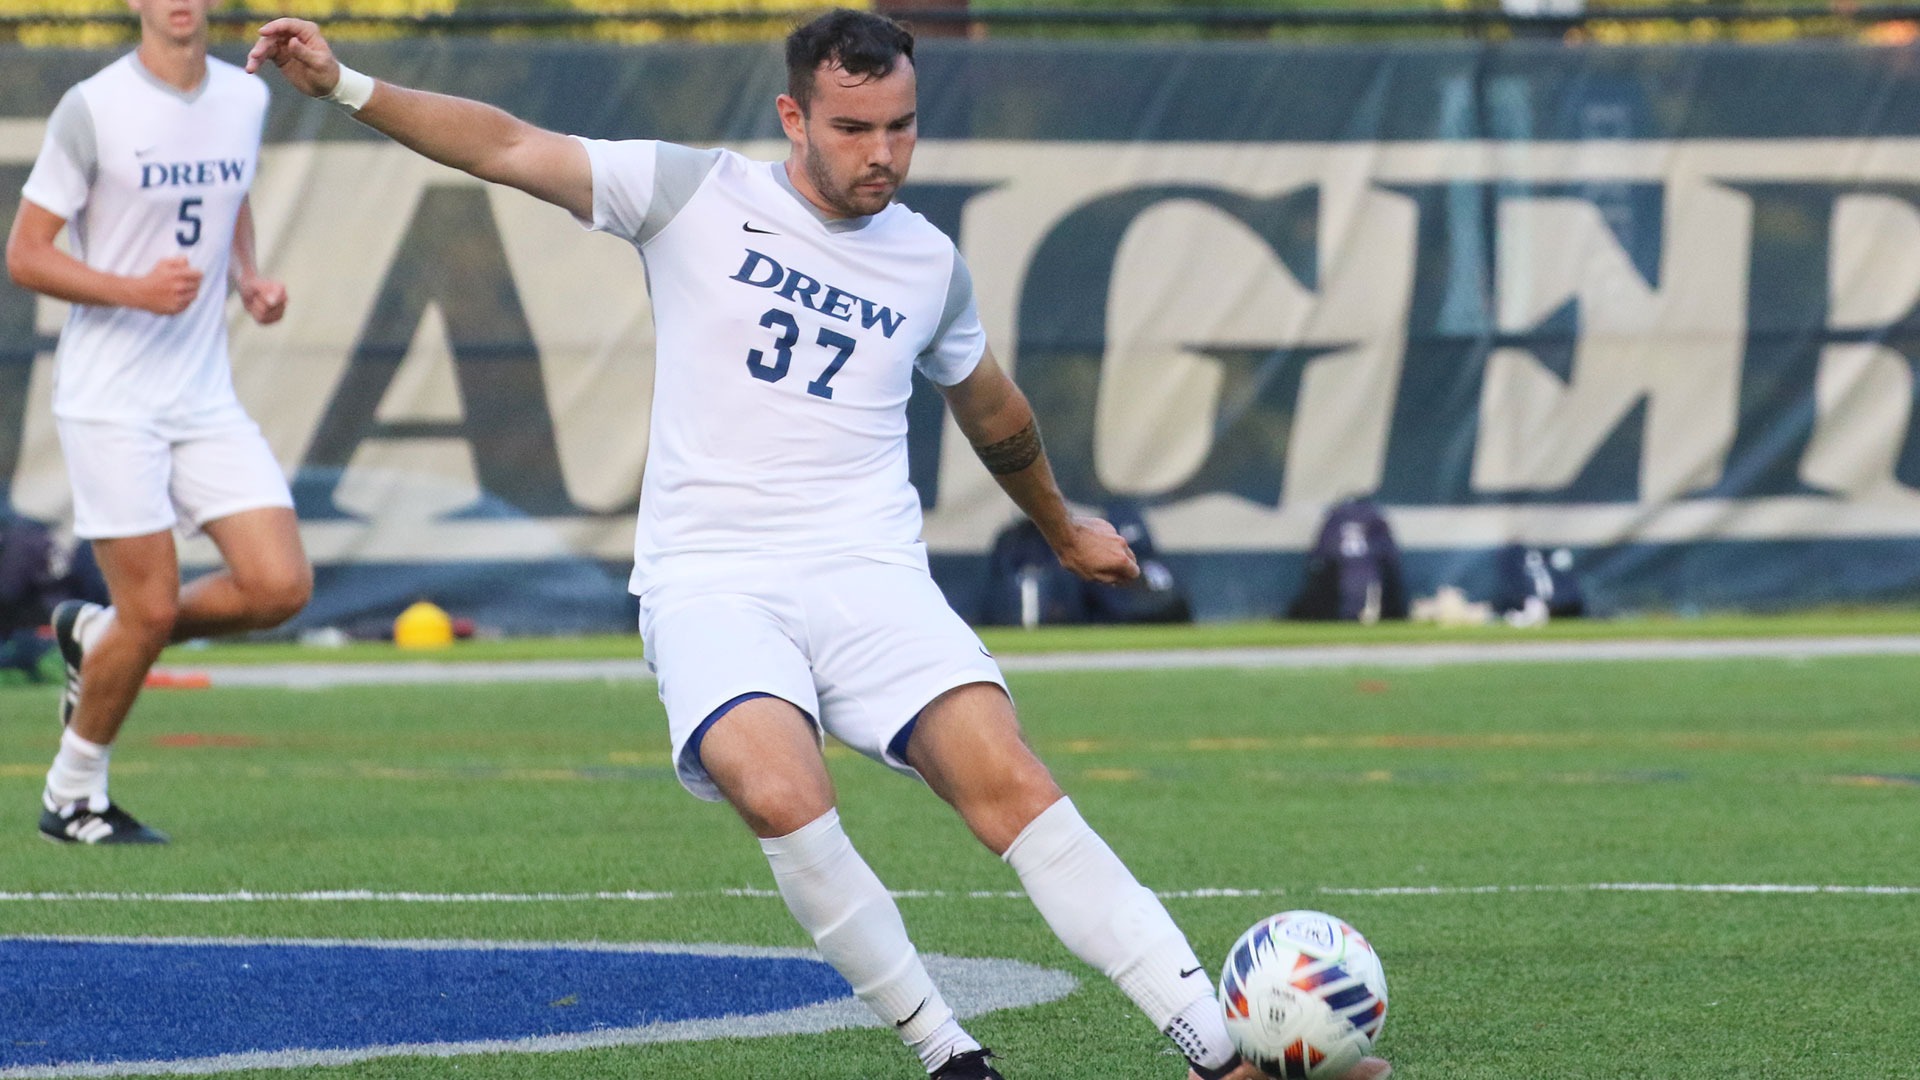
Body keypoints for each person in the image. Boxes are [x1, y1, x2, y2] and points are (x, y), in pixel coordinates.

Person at [248, 11, 1389, 1079]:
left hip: (869, 575)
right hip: (712, 581)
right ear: (794, 117)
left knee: (1012, 784)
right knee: (777, 788)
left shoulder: (929, 264)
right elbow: (505, 145)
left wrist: (1062, 527)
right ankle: (949, 1051)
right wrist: (344, 85)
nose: (881, 153)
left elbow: (992, 408)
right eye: (853, 128)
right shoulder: (692, 192)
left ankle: (1216, 1050)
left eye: (900, 126)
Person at [6, 0, 313, 845]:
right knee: (148, 609)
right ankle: (73, 795)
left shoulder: (244, 95)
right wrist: (134, 291)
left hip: (203, 394)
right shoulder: (94, 107)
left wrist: (248, 276)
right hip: (110, 399)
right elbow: (26, 254)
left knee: (278, 587)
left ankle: (99, 635)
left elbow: (228, 196)